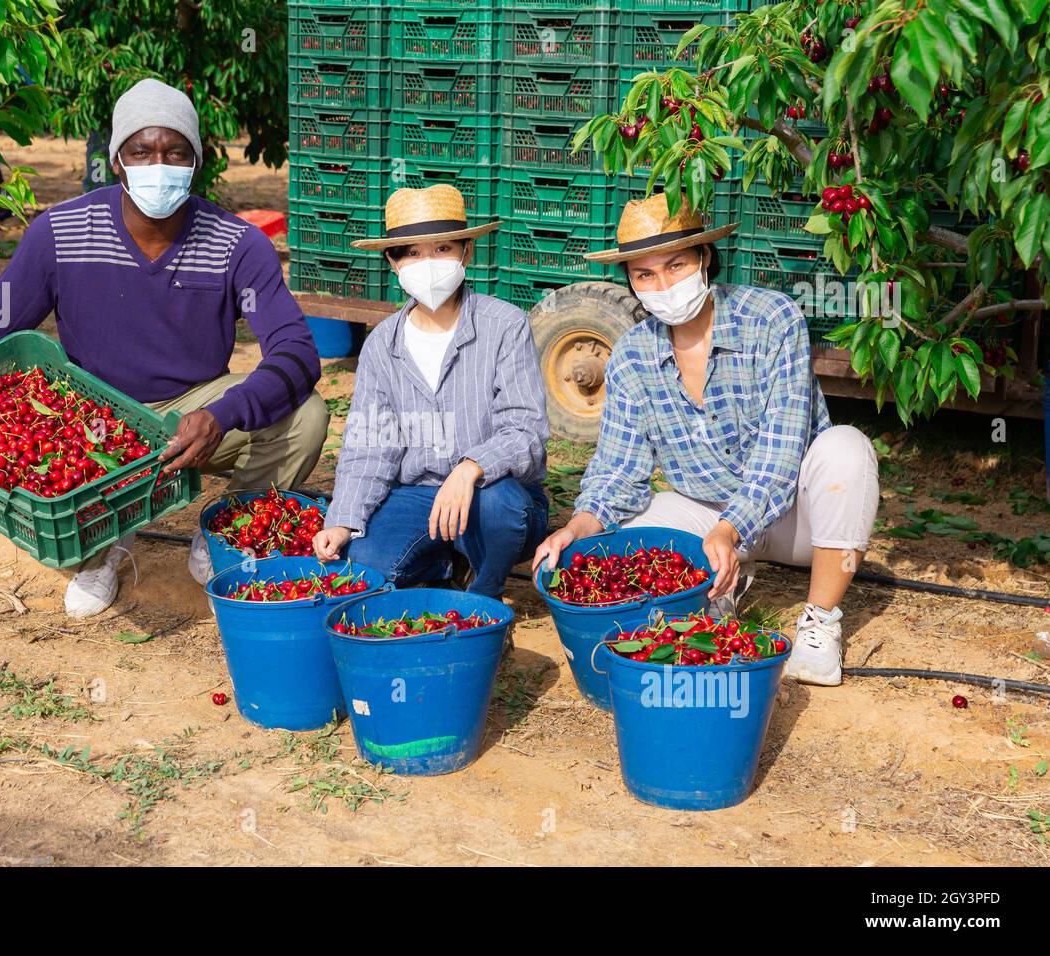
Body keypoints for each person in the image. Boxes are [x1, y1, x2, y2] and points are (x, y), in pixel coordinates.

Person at [0, 79, 329, 618]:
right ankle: (105, 545)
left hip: (194, 409)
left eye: (175, 151)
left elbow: (296, 353)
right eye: (142, 151)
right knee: (43, 453)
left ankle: (224, 525)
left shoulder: (235, 243)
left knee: (307, 415)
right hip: (96, 415)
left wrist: (220, 414)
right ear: (116, 160)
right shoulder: (61, 234)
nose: (159, 164)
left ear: (197, 161)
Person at [532, 192, 879, 686]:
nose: (663, 285)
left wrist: (730, 529)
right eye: (644, 275)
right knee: (626, 531)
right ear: (630, 281)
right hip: (705, 514)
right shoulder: (632, 355)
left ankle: (819, 623)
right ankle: (715, 592)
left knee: (847, 450)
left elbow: (780, 456)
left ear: (705, 258)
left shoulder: (771, 320)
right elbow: (618, 470)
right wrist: (579, 525)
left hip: (795, 517)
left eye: (675, 265)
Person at [313, 185, 551, 598]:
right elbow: (369, 446)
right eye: (412, 253)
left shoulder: (504, 326)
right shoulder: (383, 345)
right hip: (419, 497)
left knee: (499, 509)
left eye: (442, 248)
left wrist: (470, 468)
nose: (428, 264)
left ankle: (486, 588)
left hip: (493, 494)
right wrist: (342, 518)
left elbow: (525, 431)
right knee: (365, 563)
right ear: (392, 261)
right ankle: (446, 562)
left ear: (466, 253)